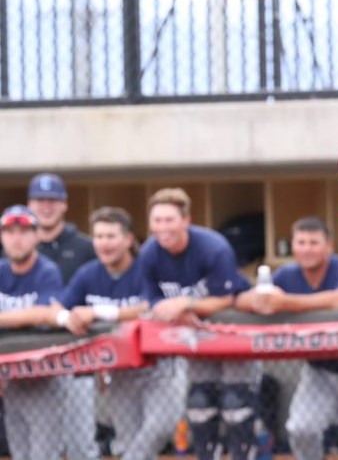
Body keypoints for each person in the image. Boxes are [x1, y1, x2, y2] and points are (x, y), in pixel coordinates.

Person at [236, 216, 338, 460]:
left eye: (314, 243)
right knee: (301, 428)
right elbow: (243, 300)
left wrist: (286, 302)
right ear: (293, 246)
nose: (307, 249)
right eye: (301, 242)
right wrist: (261, 299)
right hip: (318, 371)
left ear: (328, 246)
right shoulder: (287, 275)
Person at [59, 206, 188, 460]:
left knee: (160, 428)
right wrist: (67, 318)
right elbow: (61, 306)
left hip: (160, 365)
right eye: (99, 236)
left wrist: (101, 312)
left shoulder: (147, 267)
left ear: (128, 239)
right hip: (120, 368)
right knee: (127, 437)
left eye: (111, 236)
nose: (104, 243)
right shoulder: (88, 273)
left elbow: (153, 306)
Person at [139, 188, 256, 460]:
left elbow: (226, 298)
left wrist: (186, 304)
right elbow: (152, 300)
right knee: (200, 404)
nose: (163, 227)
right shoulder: (149, 253)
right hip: (196, 336)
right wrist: (175, 311)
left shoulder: (212, 247)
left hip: (231, 332)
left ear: (186, 220)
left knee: (236, 405)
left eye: (169, 220)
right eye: (157, 220)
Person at [26, 172, 101, 460]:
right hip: (30, 357)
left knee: (80, 444)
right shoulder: (16, 249)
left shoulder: (85, 247)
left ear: (64, 204)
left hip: (77, 355)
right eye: (39, 200)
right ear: (30, 204)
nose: (46, 206)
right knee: (38, 447)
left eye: (52, 200)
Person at [0, 205, 68, 459]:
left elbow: (43, 313)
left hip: (43, 374)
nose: (16, 239)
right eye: (9, 232)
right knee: (19, 453)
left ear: (37, 236)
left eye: (24, 232)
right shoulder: (1, 271)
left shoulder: (47, 271)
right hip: (11, 377)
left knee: (42, 454)